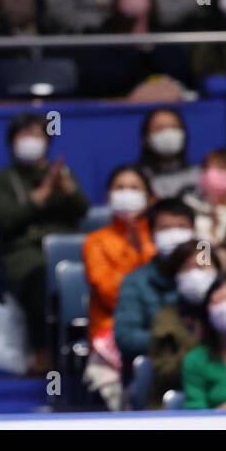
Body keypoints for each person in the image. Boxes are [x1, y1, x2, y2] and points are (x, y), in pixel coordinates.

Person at [0, 112, 90, 372]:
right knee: (40, 276)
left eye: (37, 135)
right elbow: (6, 219)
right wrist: (40, 196)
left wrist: (68, 190)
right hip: (24, 254)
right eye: (24, 135)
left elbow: (82, 211)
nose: (31, 141)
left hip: (67, 250)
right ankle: (44, 355)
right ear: (12, 141)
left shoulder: (62, 173)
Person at [83, 165, 158, 409]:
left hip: (160, 323)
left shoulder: (161, 238)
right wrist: (133, 252)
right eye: (120, 188)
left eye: (134, 188)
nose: (127, 193)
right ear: (108, 196)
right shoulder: (95, 242)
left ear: (150, 197)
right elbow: (111, 295)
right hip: (111, 328)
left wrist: (142, 249)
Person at [112, 199, 198, 377]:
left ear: (193, 232)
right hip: (158, 368)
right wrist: (175, 338)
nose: (174, 235)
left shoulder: (206, 277)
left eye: (182, 227)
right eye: (165, 229)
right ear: (151, 235)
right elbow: (126, 338)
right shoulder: (135, 281)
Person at [148, 242, 215, 406]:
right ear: (176, 275)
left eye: (202, 267)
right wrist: (196, 343)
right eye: (188, 268)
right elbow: (164, 374)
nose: (196, 274)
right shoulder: (166, 318)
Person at [182, 275, 226, 409]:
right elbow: (194, 418)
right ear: (207, 311)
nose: (225, 307)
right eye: (217, 301)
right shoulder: (196, 360)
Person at [136, 108, 202, 203]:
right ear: (146, 138)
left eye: (174, 127)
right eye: (160, 128)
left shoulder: (200, 175)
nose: (168, 133)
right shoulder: (137, 178)